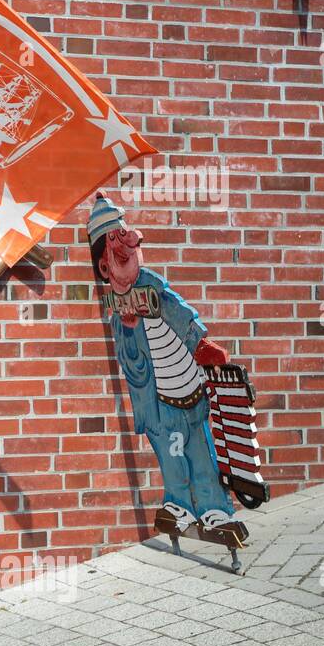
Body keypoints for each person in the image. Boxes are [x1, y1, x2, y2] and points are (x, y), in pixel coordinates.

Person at [89, 194, 237, 532]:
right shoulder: (118, 314)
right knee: (172, 457)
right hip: (160, 405)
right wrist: (128, 329)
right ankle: (179, 506)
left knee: (201, 452)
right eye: (113, 238)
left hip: (191, 393)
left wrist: (201, 344)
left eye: (123, 232)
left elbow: (180, 314)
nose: (126, 242)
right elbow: (134, 368)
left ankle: (215, 508)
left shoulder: (155, 288)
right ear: (104, 265)